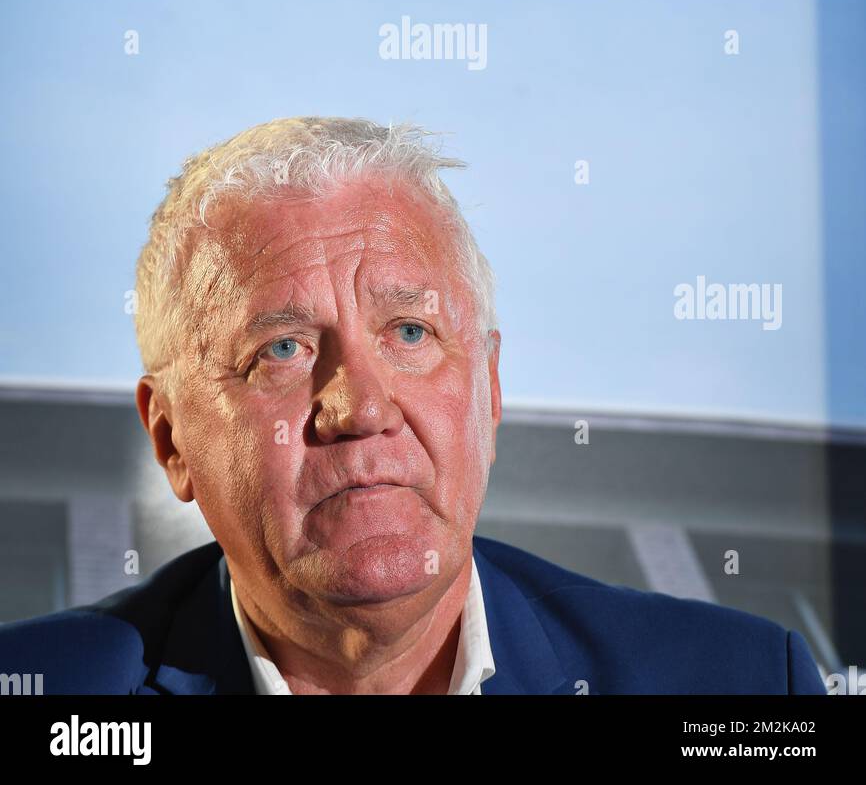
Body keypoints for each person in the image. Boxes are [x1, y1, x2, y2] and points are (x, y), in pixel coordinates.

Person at [0, 117, 827, 694]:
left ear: (490, 390)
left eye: (409, 331)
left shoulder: (740, 689)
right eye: (281, 350)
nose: (360, 406)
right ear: (171, 439)